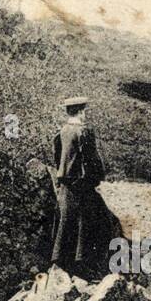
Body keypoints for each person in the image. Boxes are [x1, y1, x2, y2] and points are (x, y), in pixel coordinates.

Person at [49, 96, 115, 280]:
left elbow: (56, 158)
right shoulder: (84, 132)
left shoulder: (61, 132)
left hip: (65, 185)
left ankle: (61, 263)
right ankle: (85, 266)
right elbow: (92, 160)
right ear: (81, 111)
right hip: (81, 185)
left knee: (65, 223)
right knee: (96, 222)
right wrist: (96, 178)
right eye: (85, 110)